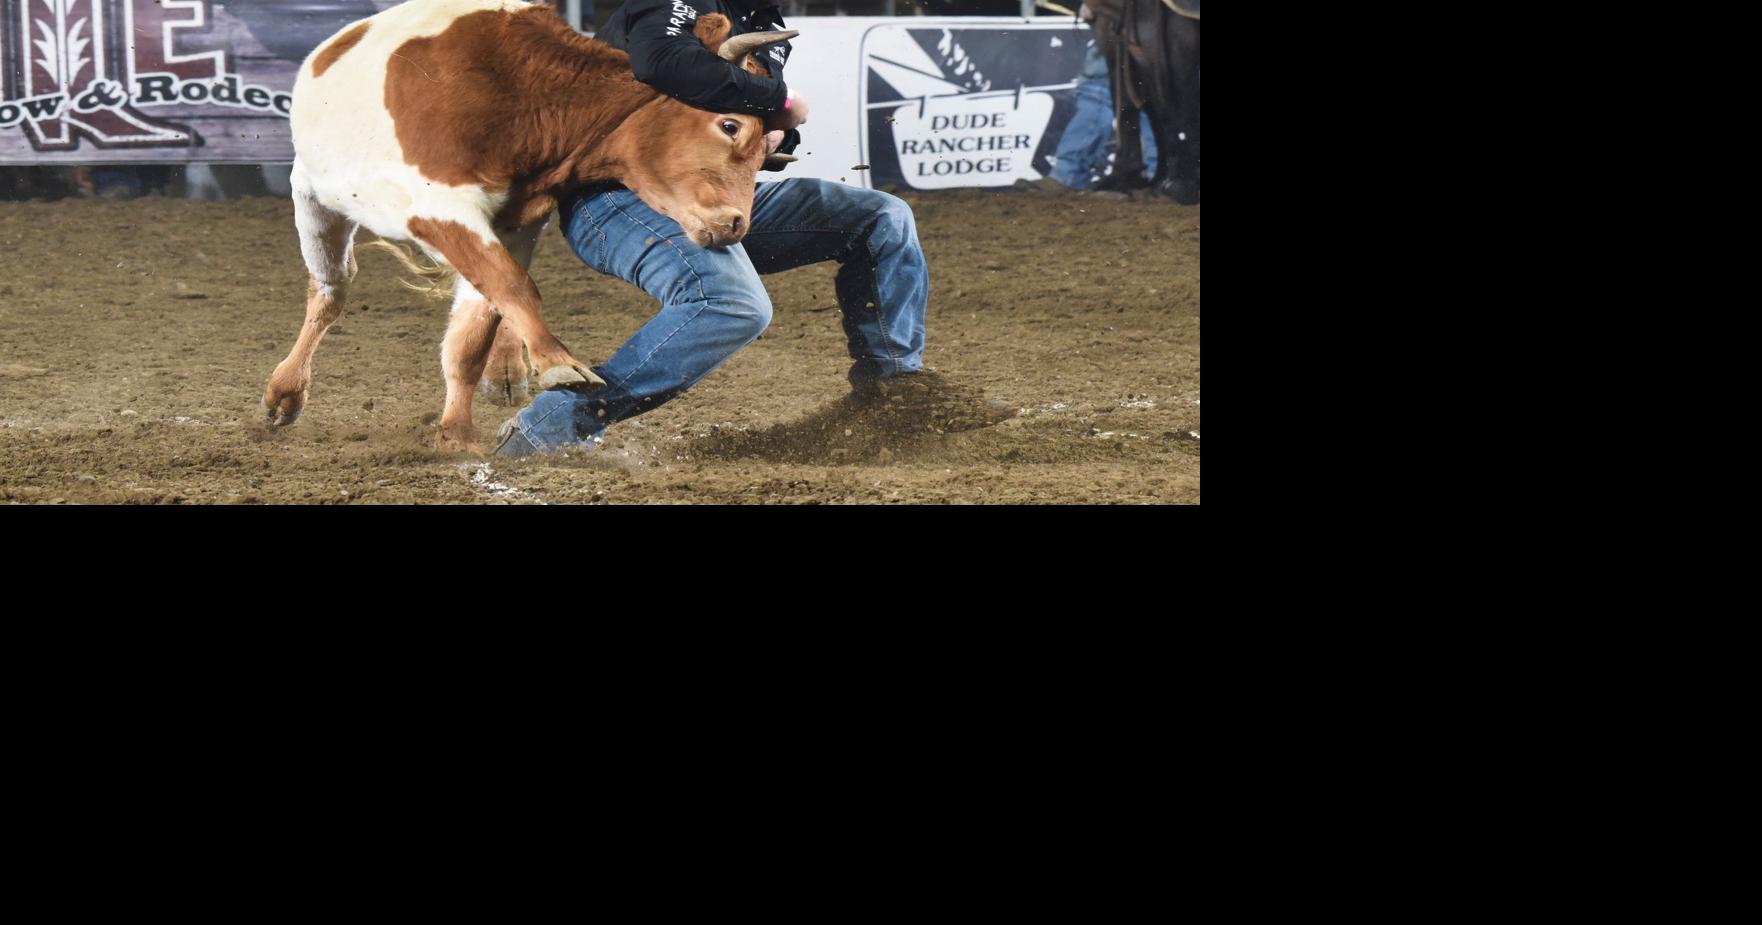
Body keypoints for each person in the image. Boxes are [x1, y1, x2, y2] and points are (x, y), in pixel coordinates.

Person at [494, 0, 934, 457]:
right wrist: (781, 103)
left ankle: (893, 396)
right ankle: (548, 426)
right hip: (615, 197)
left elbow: (744, 114)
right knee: (733, 304)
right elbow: (659, 61)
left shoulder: (764, 21)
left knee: (882, 217)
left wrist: (780, 130)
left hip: (708, 192)